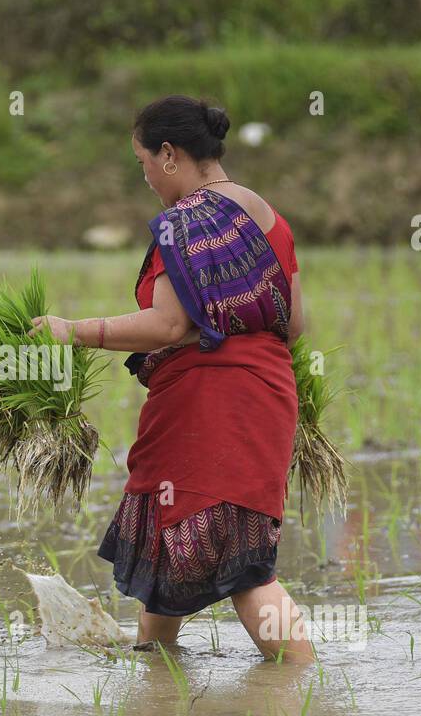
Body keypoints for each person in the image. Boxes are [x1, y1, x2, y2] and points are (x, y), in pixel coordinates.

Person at [28, 96, 315, 664]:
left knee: (244, 566)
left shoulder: (188, 222)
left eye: (142, 163)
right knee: (170, 540)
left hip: (213, 405)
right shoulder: (268, 217)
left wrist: (70, 330)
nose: (144, 178)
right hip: (265, 397)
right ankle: (153, 669)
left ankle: (300, 677)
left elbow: (167, 323)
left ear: (168, 154)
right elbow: (296, 323)